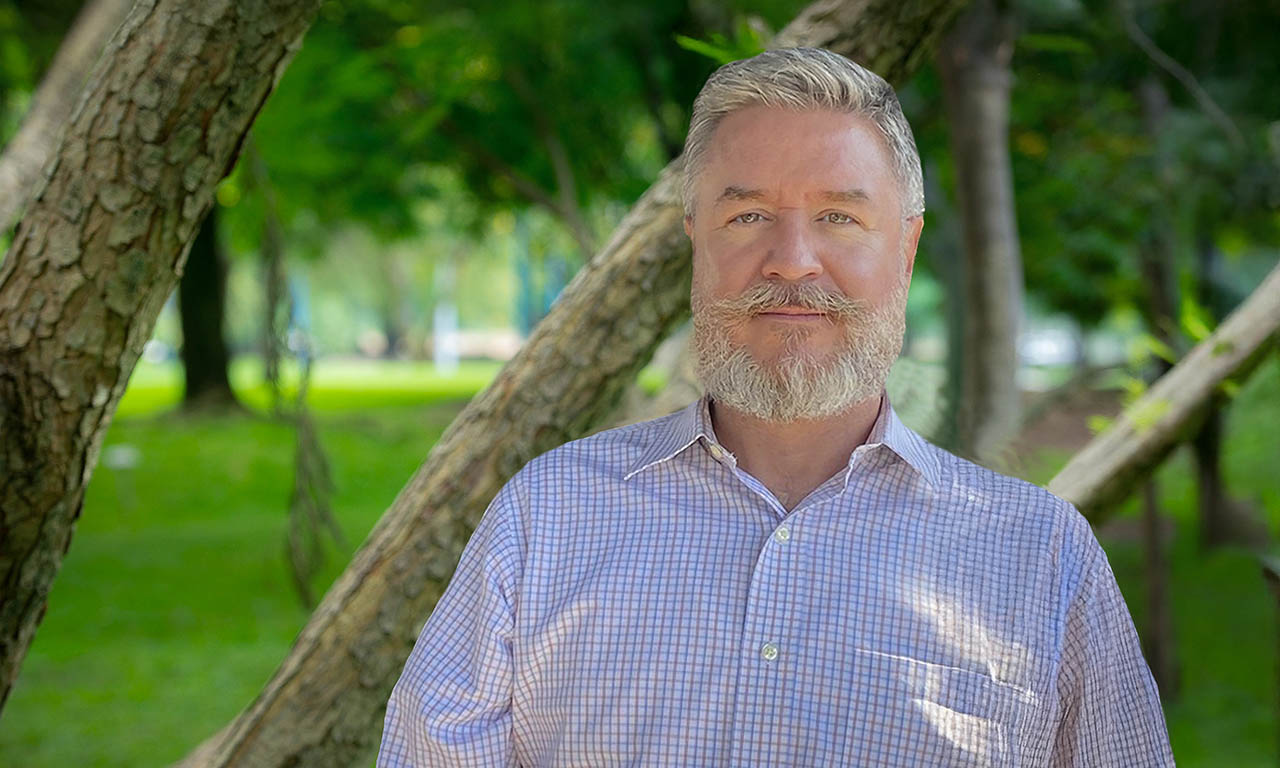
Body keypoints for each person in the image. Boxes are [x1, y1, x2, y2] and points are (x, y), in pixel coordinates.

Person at [377, 47, 1174, 766]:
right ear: (698, 240)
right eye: (749, 215)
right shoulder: (545, 519)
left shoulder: (1041, 560)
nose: (792, 261)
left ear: (906, 247)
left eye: (838, 216)